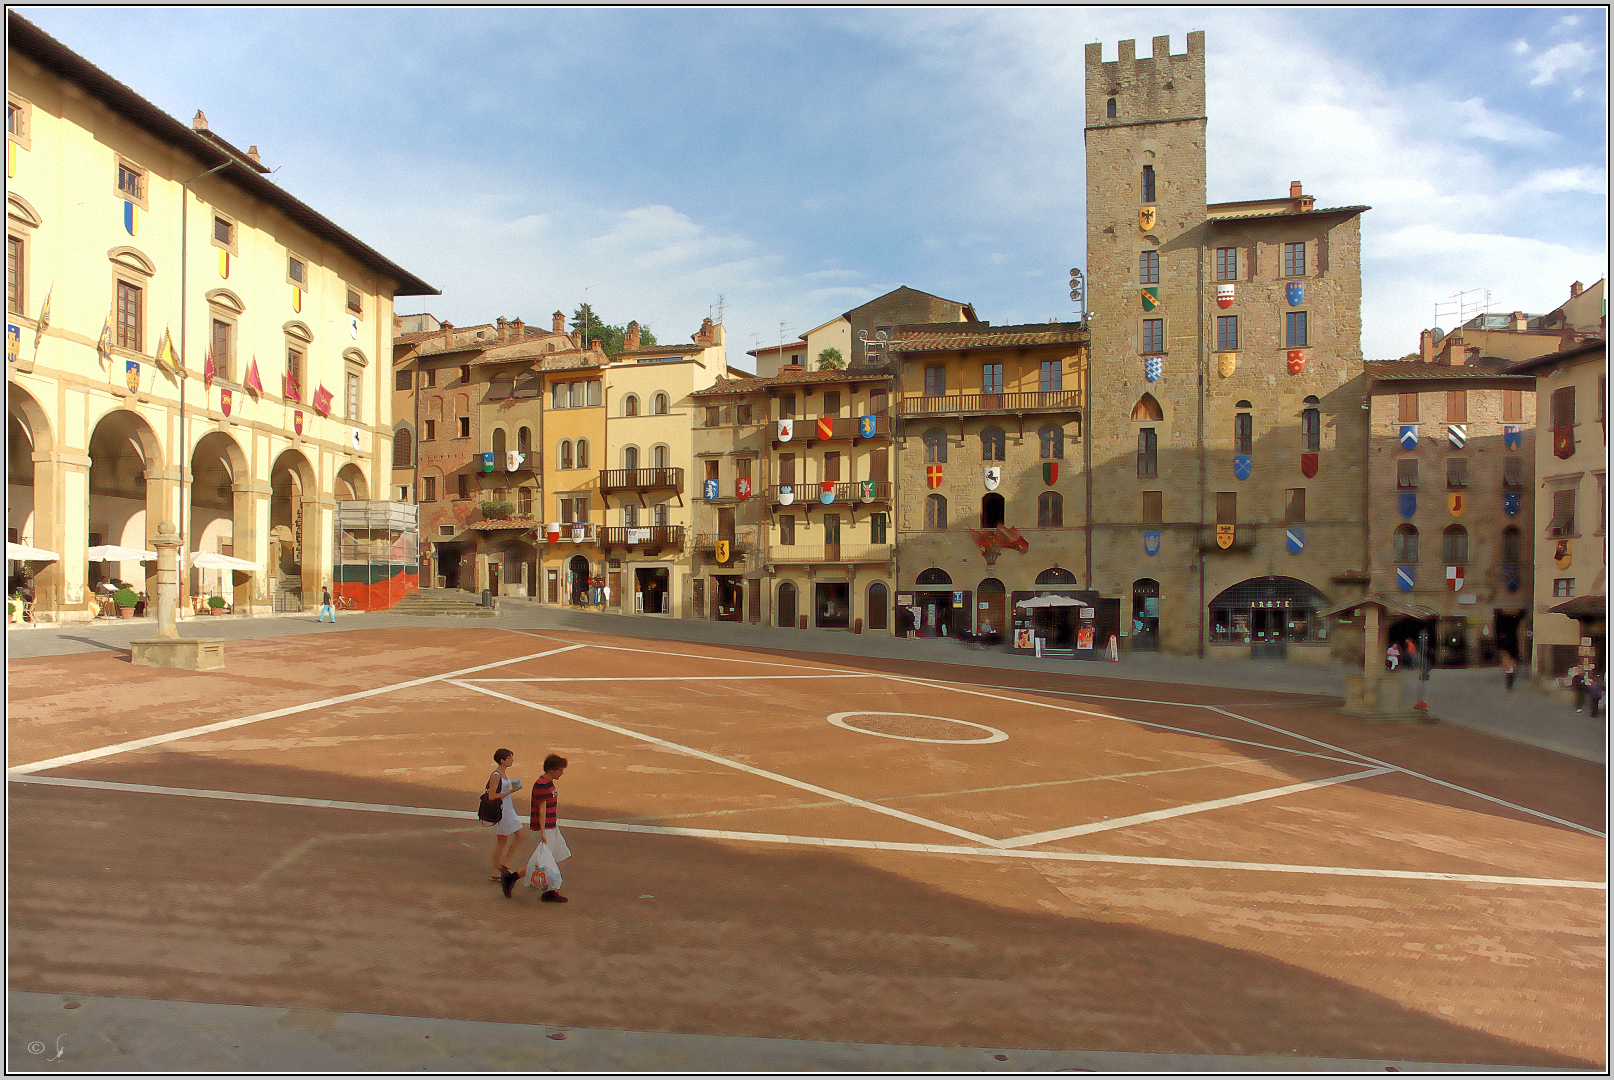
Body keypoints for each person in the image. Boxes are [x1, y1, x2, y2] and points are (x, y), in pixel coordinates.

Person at [526, 753, 570, 903]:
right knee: (547, 860)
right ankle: (551, 891)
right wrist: (543, 832)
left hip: (551, 826)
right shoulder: (543, 785)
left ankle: (513, 877)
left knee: (553, 857)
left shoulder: (547, 783)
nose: (561, 773)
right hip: (546, 828)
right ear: (552, 770)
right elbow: (542, 810)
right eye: (560, 770)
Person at [484, 748, 525, 895]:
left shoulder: (502, 773)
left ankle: (496, 870)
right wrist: (511, 791)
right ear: (502, 760)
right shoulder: (496, 775)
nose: (512, 760)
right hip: (503, 812)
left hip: (507, 810)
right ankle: (502, 865)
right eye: (509, 758)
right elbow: (492, 796)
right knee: (517, 836)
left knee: (503, 840)